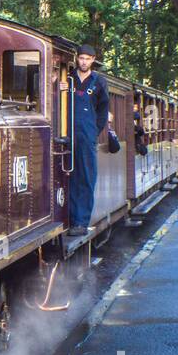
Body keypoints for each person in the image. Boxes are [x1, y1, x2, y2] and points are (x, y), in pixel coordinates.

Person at [68, 43, 110, 237]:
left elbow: (103, 111)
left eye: (87, 59)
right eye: (81, 58)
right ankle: (67, 218)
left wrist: (94, 132)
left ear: (93, 60)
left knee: (85, 178)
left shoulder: (99, 82)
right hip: (66, 133)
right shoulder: (67, 77)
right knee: (68, 177)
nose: (83, 62)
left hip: (87, 135)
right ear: (77, 58)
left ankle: (81, 222)